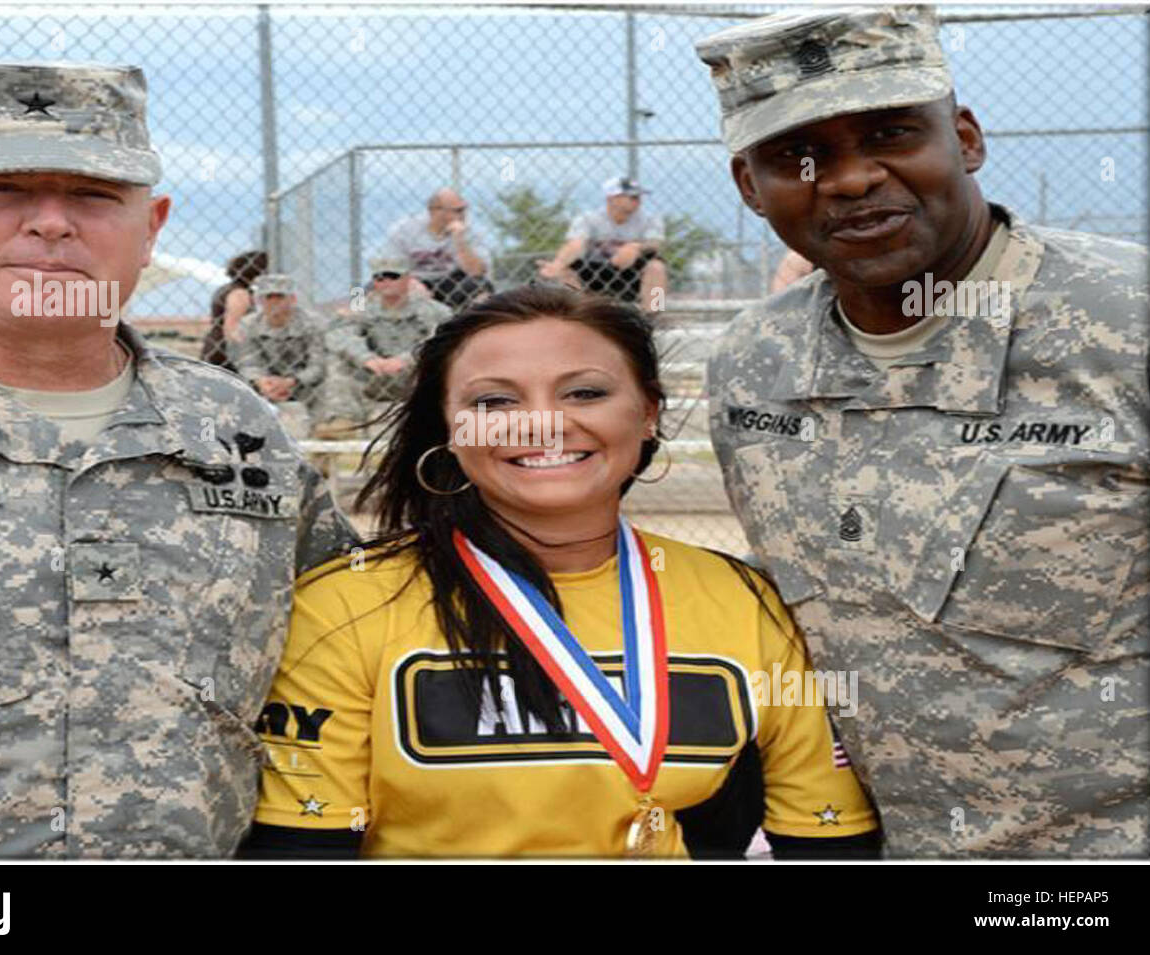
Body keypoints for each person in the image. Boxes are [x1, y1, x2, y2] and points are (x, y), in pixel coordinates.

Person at [0, 60, 358, 858]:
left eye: (94, 195)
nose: (51, 223)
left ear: (152, 223)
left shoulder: (236, 426)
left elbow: (348, 639)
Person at [695, 5, 1150, 857]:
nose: (849, 179)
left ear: (967, 139)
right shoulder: (755, 364)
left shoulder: (1131, 323)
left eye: (891, 133)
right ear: (749, 187)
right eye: (798, 156)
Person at [240, 285, 880, 859]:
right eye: (494, 401)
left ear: (649, 411)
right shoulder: (345, 605)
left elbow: (826, 839)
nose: (544, 422)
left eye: (585, 392)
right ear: (450, 429)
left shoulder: (747, 601)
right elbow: (299, 847)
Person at [319, 254, 451, 435]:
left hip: (413, 377)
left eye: (393, 276)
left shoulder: (432, 309)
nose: (386, 282)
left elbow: (442, 340)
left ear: (407, 280)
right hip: (374, 374)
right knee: (336, 360)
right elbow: (338, 334)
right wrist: (367, 358)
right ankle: (343, 419)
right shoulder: (361, 305)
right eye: (379, 277)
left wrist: (406, 359)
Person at [537, 176, 667, 312]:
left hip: (631, 272)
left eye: (638, 197)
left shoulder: (650, 219)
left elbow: (655, 243)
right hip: (595, 270)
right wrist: (558, 263)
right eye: (632, 197)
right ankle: (579, 314)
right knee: (564, 270)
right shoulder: (588, 219)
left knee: (657, 267)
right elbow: (575, 244)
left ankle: (654, 314)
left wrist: (636, 247)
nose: (637, 201)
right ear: (612, 198)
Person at [231, 273, 328, 439]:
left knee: (331, 382)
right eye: (269, 297)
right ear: (260, 301)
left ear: (293, 299)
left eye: (280, 297)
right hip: (266, 386)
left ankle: (326, 429)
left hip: (307, 385)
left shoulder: (313, 323)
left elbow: (318, 365)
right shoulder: (249, 325)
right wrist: (262, 382)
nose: (274, 302)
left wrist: (291, 382)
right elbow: (248, 362)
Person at [381, 187, 493, 312]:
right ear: (435, 211)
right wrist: (409, 283)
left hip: (452, 282)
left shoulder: (469, 232)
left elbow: (477, 272)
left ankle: (474, 327)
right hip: (415, 280)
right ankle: (358, 326)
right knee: (369, 288)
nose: (463, 215)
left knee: (480, 287)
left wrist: (460, 241)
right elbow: (391, 266)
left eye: (464, 209)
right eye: (458, 210)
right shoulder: (405, 230)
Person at [201, 248, 266, 370]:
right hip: (226, 352)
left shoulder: (227, 288)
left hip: (216, 347)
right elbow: (232, 329)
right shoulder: (240, 293)